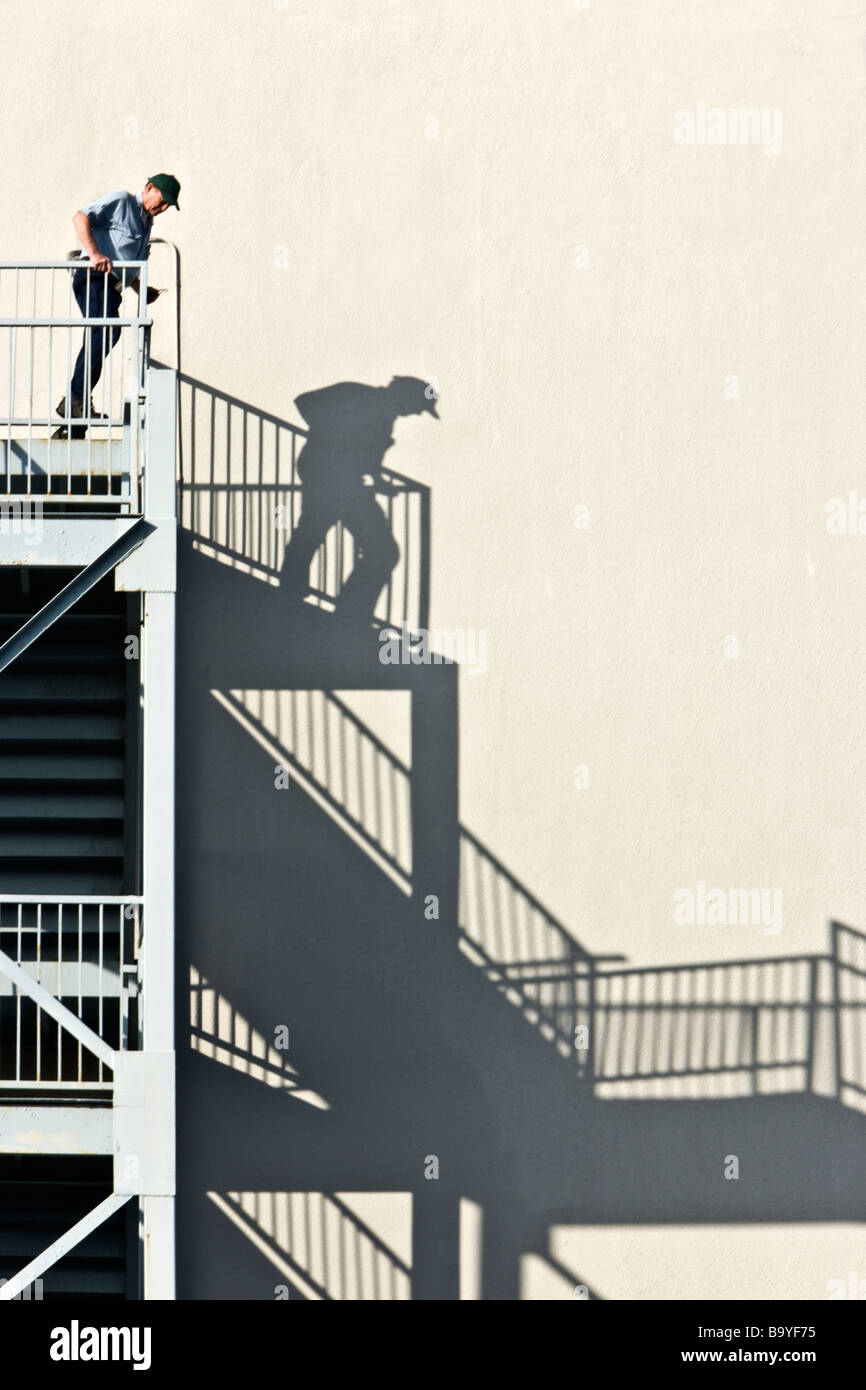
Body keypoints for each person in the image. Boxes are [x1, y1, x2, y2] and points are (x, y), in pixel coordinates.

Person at [280, 376, 438, 622]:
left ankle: (346, 611)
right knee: (317, 534)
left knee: (374, 548)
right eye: (418, 406)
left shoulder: (385, 418)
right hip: (327, 476)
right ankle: (299, 598)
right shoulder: (356, 394)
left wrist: (378, 481)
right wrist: (331, 436)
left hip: (346, 482)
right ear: (405, 396)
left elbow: (366, 457)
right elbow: (304, 402)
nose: (417, 413)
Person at [52, 174, 181, 438]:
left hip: (112, 287)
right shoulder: (122, 201)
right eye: (163, 200)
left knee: (104, 334)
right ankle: (75, 401)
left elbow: (128, 261)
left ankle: (73, 417)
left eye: (169, 205)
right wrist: (95, 252)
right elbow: (80, 217)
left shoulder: (147, 223)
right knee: (107, 330)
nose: (164, 208)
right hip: (93, 277)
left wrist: (140, 289)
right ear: (148, 188)